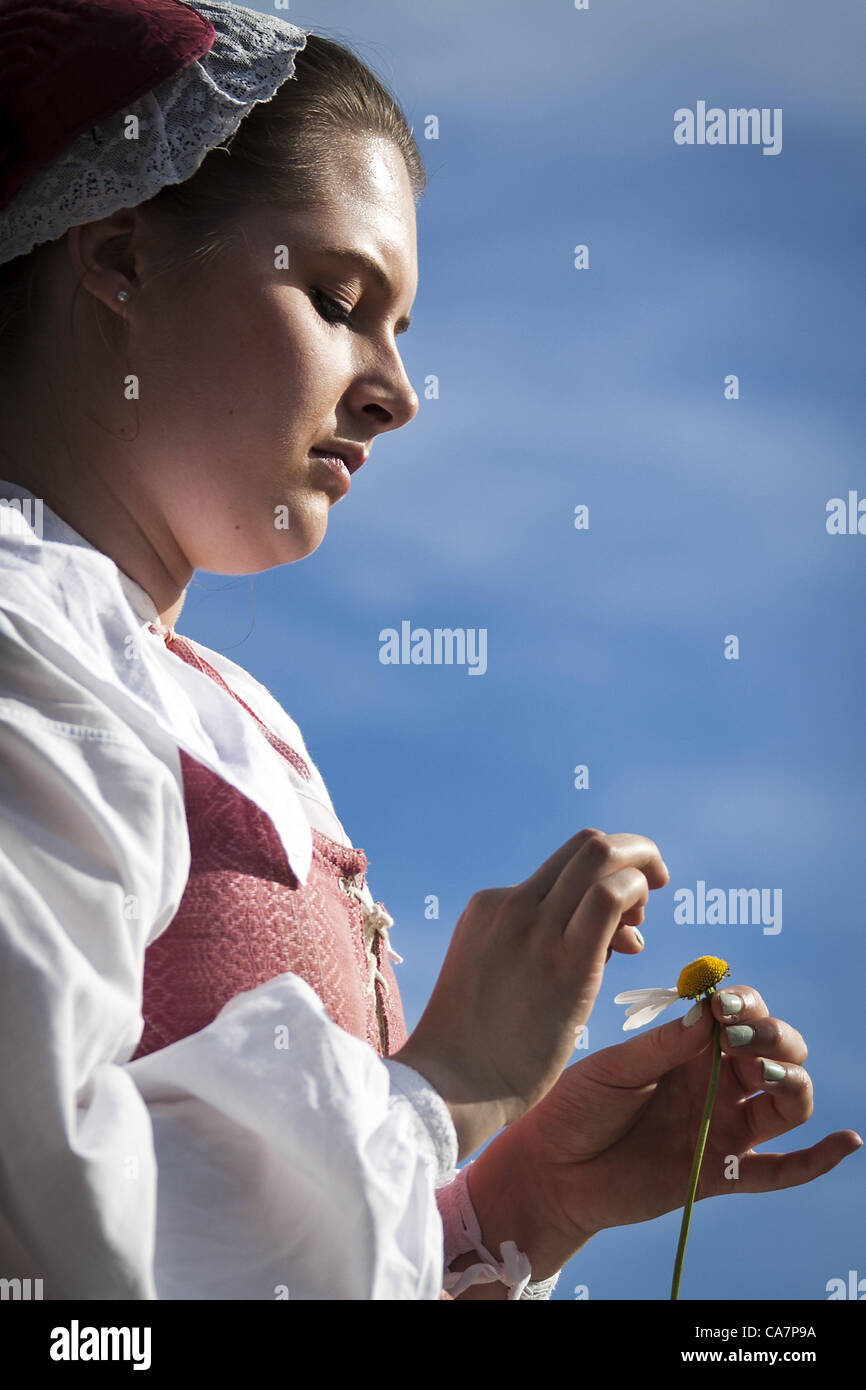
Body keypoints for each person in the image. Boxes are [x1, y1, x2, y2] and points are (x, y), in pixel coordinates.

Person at [0, 0, 859, 1301]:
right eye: (341, 299)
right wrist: (446, 1085)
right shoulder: (22, 633)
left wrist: (514, 1199)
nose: (398, 391)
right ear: (118, 257)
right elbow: (53, 1238)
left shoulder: (227, 713)